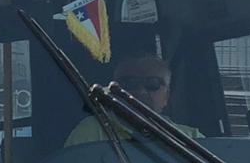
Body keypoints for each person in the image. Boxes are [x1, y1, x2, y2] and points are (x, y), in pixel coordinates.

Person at [64, 53, 203, 146]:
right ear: (113, 90)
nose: (140, 91)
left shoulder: (191, 138)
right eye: (129, 83)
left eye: (152, 84)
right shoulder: (89, 133)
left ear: (167, 96)